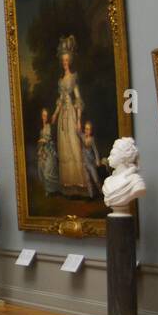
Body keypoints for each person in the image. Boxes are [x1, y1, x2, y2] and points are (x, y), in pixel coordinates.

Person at [51, 36, 92, 198]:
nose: (65, 63)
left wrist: (79, 120)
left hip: (72, 116)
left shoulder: (73, 78)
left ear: (70, 61)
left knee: (74, 146)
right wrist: (54, 114)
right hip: (63, 116)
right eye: (63, 61)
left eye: (67, 61)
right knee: (64, 148)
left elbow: (78, 98)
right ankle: (67, 184)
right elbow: (60, 100)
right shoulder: (61, 81)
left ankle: (80, 184)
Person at [36, 107, 59, 194]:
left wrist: (43, 141)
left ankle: (54, 189)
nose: (44, 117)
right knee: (41, 171)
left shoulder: (49, 126)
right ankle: (48, 190)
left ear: (48, 116)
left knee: (48, 173)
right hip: (43, 151)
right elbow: (40, 140)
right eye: (43, 115)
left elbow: (49, 139)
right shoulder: (42, 128)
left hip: (50, 151)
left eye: (46, 115)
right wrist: (40, 149)